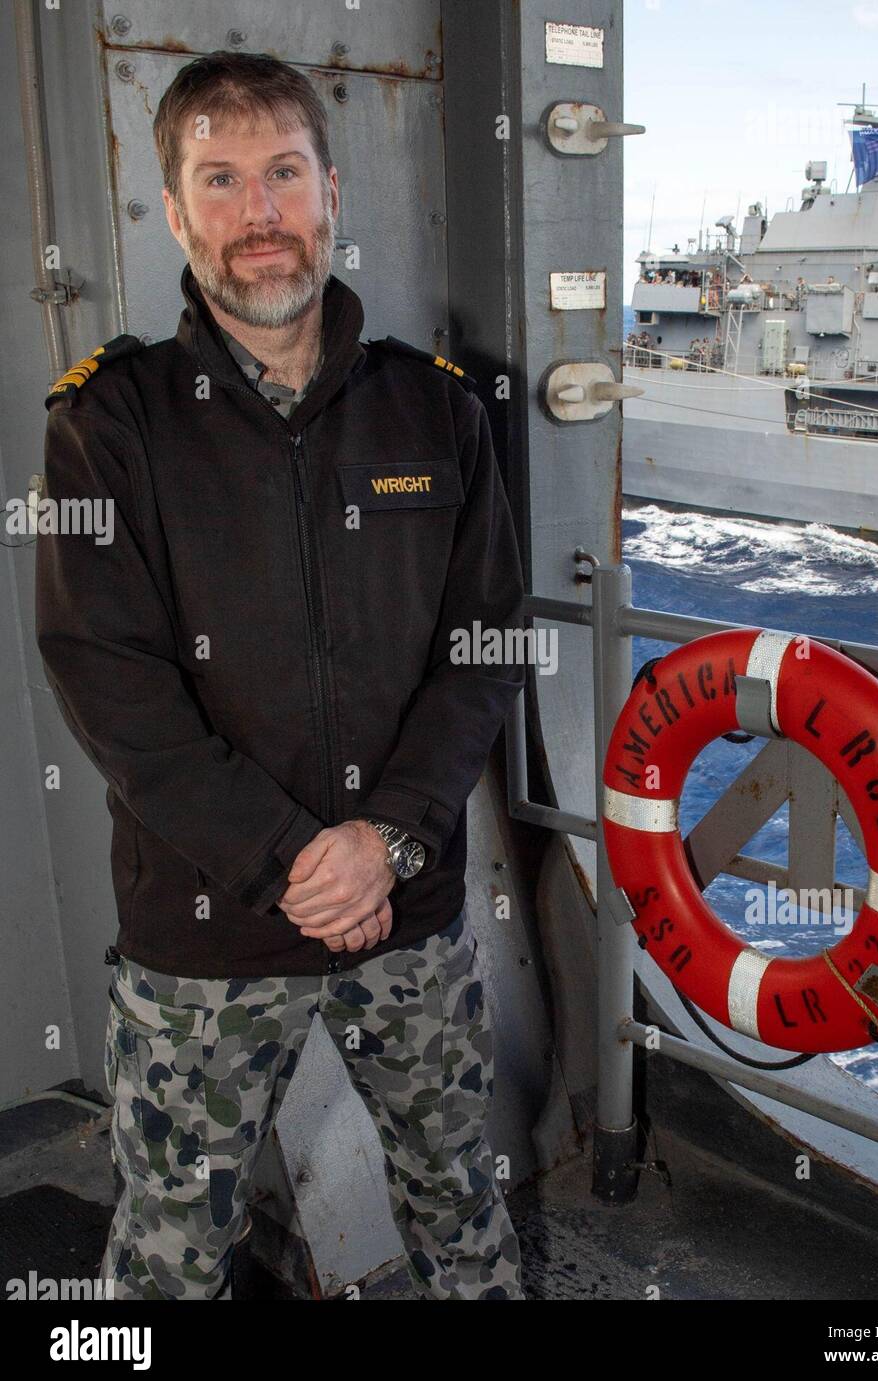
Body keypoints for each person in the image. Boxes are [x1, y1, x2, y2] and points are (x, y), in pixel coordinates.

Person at [35, 51, 526, 1301]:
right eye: (221, 180)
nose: (259, 213)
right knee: (164, 1254)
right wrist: (294, 865)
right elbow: (111, 682)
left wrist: (388, 843)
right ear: (177, 209)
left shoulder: (437, 412)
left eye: (283, 174)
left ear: (331, 192)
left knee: (462, 1203)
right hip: (204, 929)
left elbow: (483, 648)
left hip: (403, 917)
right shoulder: (109, 425)